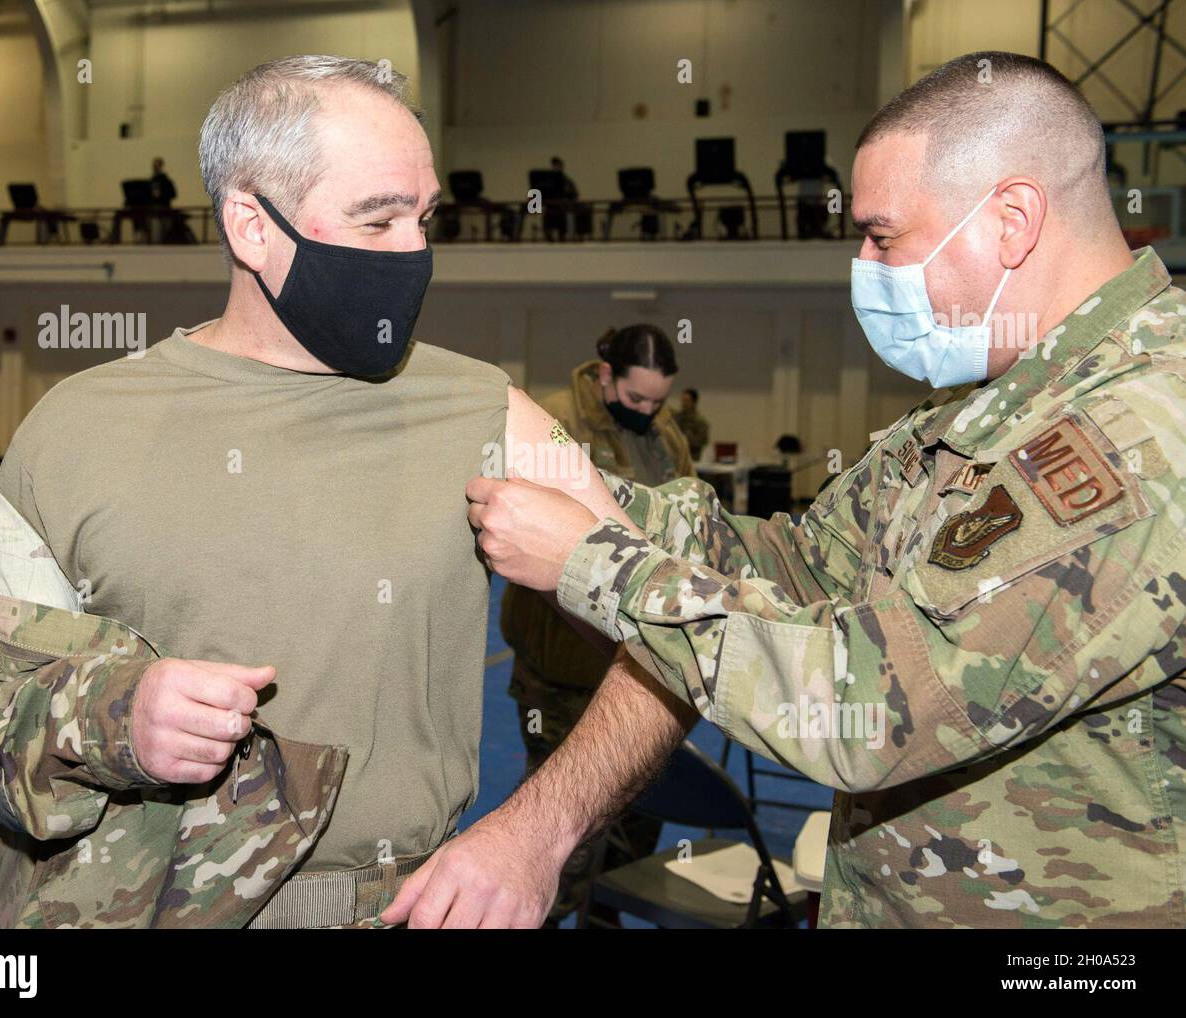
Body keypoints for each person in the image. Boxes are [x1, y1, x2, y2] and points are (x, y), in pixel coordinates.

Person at [0, 55, 692, 929]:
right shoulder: (78, 426)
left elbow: (681, 636)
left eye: (424, 218)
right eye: (377, 221)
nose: (414, 254)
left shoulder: (481, 413)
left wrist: (540, 832)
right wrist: (114, 715)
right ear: (252, 225)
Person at [467, 51, 1186, 928]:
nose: (864, 264)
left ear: (1012, 220)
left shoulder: (1138, 437)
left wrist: (595, 566)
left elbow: (870, 708)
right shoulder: (989, 404)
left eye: (884, 236)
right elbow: (798, 563)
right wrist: (575, 478)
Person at [499, 324, 693, 924]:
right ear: (605, 375)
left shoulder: (664, 437)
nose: (648, 412)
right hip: (563, 669)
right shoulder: (552, 425)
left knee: (636, 833)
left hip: (644, 673)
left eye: (658, 402)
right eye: (637, 400)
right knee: (561, 845)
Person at [673, 387, 710, 460]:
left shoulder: (699, 421)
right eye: (683, 400)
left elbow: (703, 441)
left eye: (687, 401)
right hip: (676, 458)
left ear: (694, 402)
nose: (684, 404)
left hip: (692, 458)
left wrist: (687, 436)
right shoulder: (676, 418)